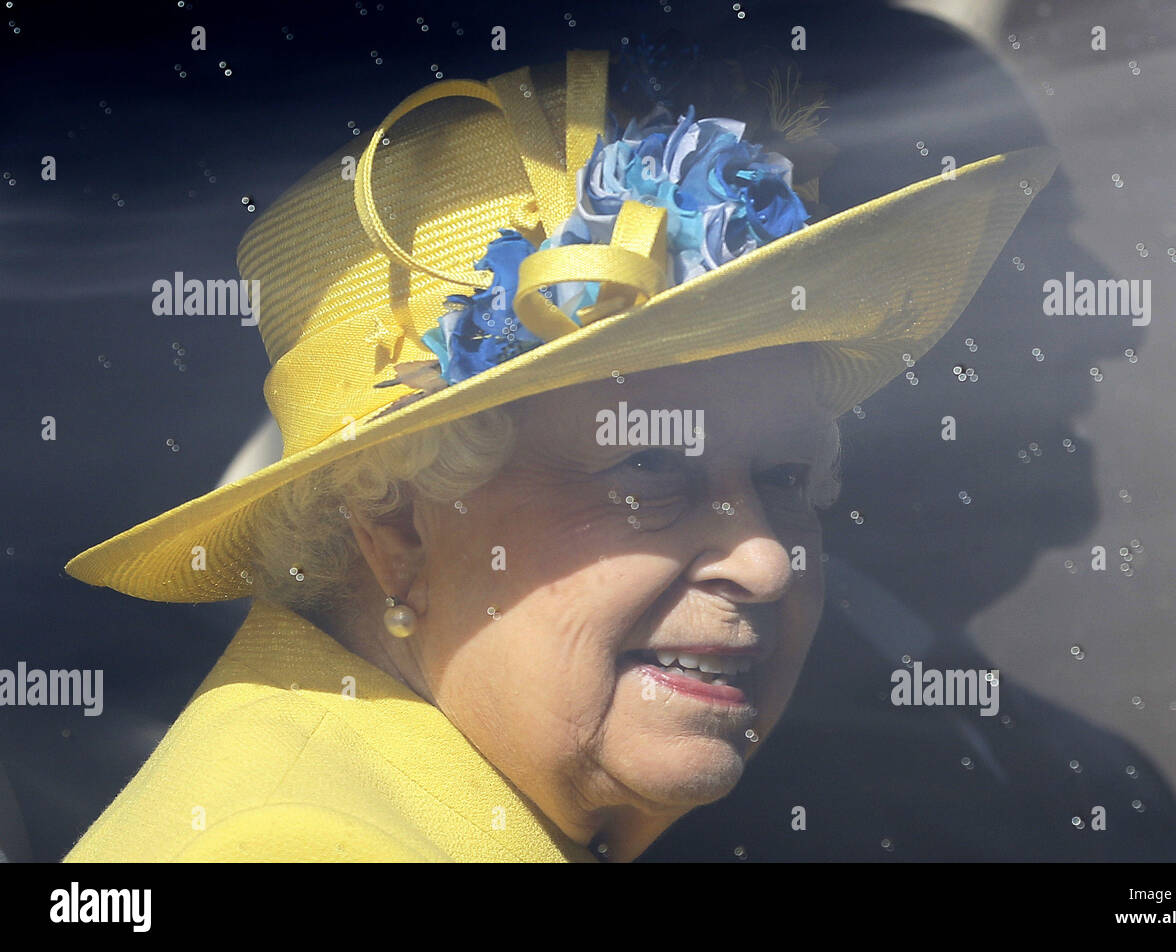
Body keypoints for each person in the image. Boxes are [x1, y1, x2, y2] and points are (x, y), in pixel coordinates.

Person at [60, 46, 1055, 861]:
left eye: (785, 479)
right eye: (648, 469)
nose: (763, 559)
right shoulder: (299, 845)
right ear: (399, 526)